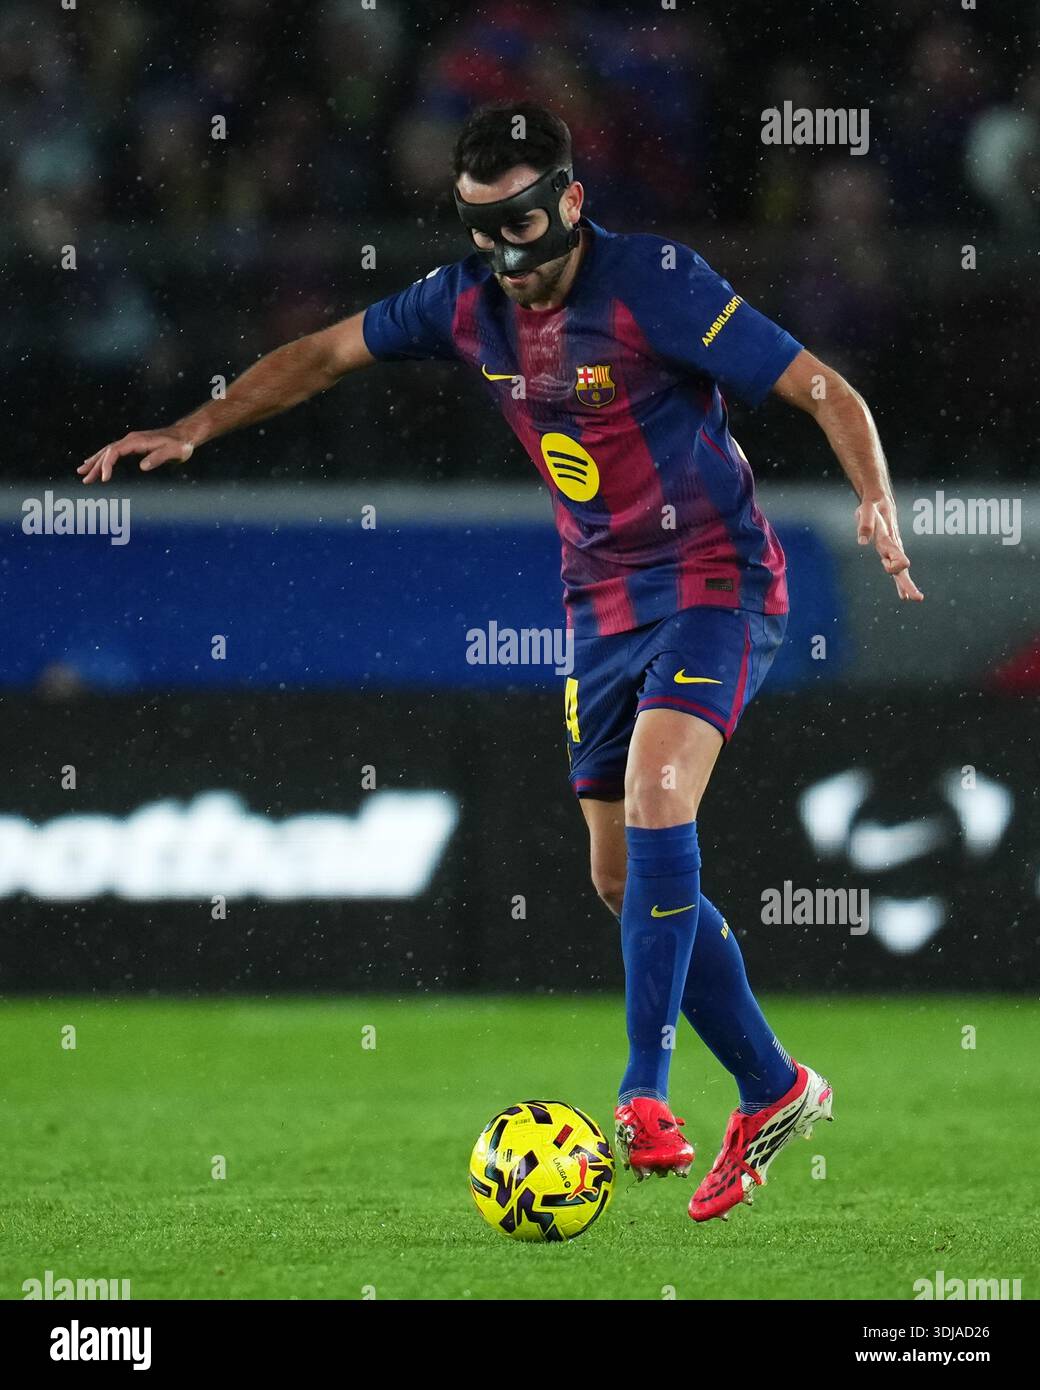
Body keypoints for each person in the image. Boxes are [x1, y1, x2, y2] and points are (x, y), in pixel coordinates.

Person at [80, 101, 923, 1224]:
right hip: (597, 607)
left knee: (661, 796)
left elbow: (823, 387)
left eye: (525, 227)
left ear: (570, 200)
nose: (510, 259)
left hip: (714, 579)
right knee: (620, 877)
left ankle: (642, 1092)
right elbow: (323, 355)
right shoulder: (463, 303)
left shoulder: (653, 281)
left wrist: (872, 496)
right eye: (485, 230)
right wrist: (197, 425)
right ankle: (771, 1087)